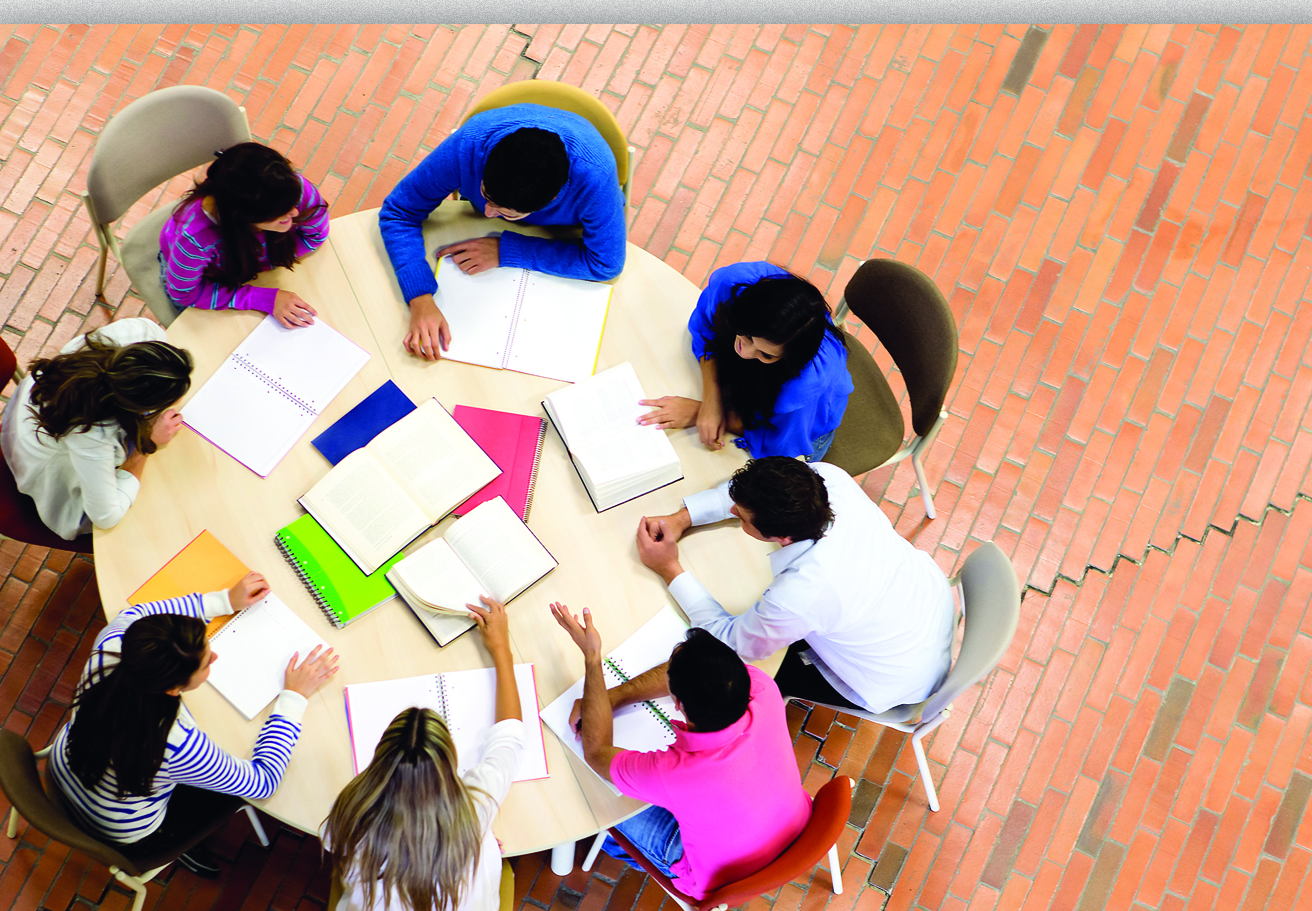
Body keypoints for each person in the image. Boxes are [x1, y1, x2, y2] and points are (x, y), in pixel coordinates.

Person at [47, 574, 339, 877]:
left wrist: (225, 601)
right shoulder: (176, 743)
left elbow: (136, 615)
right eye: (206, 663)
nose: (215, 654)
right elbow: (263, 782)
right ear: (174, 689)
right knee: (230, 793)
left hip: (66, 767)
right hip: (125, 831)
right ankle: (184, 848)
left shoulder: (113, 645)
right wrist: (292, 697)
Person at [636, 456, 956, 715]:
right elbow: (742, 494)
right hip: (925, 605)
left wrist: (669, 568)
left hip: (894, 675)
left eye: (742, 518)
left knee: (729, 680)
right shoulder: (824, 479)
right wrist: (683, 518)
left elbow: (728, 643)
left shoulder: (801, 594)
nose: (732, 512)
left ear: (781, 538)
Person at [322, 597, 524, 911]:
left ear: (380, 760)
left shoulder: (349, 813)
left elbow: (333, 840)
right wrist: (501, 649)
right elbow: (511, 738)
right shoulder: (474, 809)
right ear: (449, 764)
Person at [551, 605, 811, 898]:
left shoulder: (676, 772)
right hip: (793, 826)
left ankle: (616, 849)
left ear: (679, 705)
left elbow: (597, 751)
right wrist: (611, 698)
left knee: (605, 805)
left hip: (719, 877)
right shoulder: (760, 686)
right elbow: (692, 673)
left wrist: (592, 658)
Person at [379, 103, 627, 360]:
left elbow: (606, 263)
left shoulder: (596, 181)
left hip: (561, 231)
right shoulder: (469, 146)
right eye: (485, 195)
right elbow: (398, 211)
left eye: (505, 213)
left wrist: (506, 249)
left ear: (551, 199)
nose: (486, 212)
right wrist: (419, 297)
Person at [0, 318, 193, 541]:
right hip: (48, 466)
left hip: (37, 406)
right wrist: (144, 448)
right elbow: (106, 516)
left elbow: (156, 333)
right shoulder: (91, 436)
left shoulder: (135, 335)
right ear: (135, 407)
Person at [639, 262, 852, 462]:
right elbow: (706, 331)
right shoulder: (735, 284)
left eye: (766, 355)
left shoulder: (806, 383)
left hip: (796, 429)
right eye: (747, 336)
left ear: (788, 358)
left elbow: (777, 444)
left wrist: (698, 411)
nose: (745, 353)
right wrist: (712, 402)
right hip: (751, 390)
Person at [159, 141, 329, 328]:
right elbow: (185, 293)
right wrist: (262, 298)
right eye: (280, 214)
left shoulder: (290, 187)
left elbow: (316, 234)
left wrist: (266, 263)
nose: (295, 213)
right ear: (242, 218)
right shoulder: (194, 240)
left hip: (246, 268)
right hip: (206, 278)